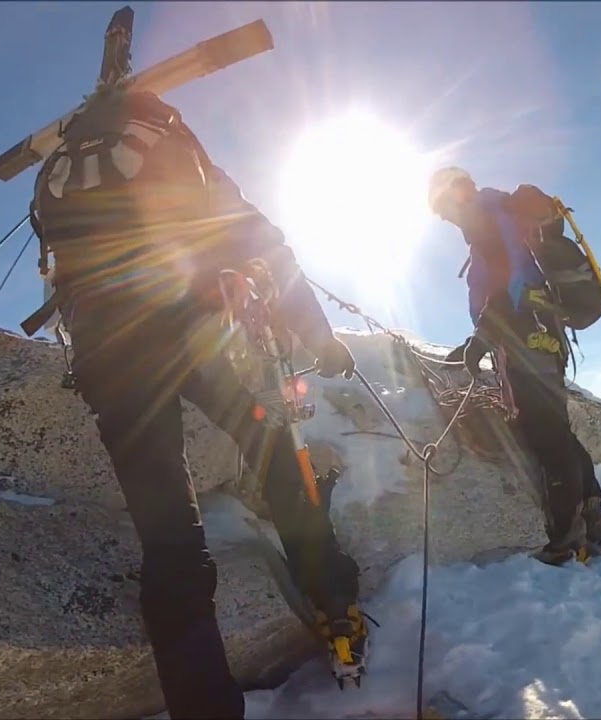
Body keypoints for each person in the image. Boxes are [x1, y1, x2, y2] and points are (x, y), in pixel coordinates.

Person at [21, 89, 368, 719]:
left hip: (108, 353)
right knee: (269, 444)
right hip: (193, 336)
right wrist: (317, 334)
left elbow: (59, 268)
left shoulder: (62, 173)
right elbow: (260, 241)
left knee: (170, 539)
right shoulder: (173, 146)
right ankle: (333, 597)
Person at [428, 166, 601, 566]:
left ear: (452, 195)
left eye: (442, 208)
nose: (446, 218)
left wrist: (483, 335)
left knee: (546, 437)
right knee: (559, 431)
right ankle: (596, 525)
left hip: (521, 337)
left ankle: (567, 539)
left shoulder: (484, 220)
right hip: (545, 335)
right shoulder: (501, 214)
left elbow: (508, 284)